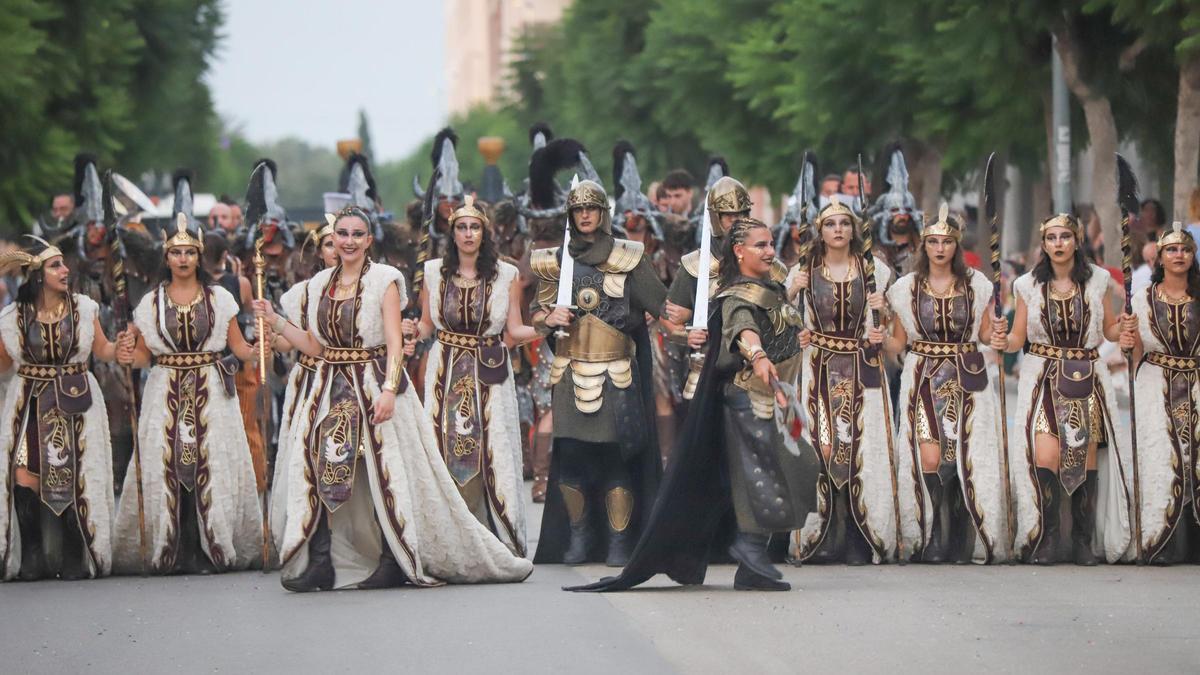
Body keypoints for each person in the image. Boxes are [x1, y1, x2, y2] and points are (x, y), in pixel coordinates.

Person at [254, 206, 531, 591]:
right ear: (332, 239)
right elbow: (315, 346)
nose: (348, 241)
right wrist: (276, 321)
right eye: (342, 234)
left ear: (369, 241)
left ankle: (391, 558)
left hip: (372, 383)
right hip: (329, 386)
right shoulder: (318, 285)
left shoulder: (386, 280)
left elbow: (395, 341)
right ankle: (320, 562)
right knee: (317, 464)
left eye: (356, 234)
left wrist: (388, 389)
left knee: (382, 471)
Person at [568, 218, 810, 592]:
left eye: (769, 244)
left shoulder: (772, 288)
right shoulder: (736, 295)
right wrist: (758, 355)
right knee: (761, 478)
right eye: (760, 245)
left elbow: (778, 327)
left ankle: (750, 563)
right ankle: (750, 551)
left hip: (775, 396)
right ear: (739, 251)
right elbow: (742, 329)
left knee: (768, 474)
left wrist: (796, 338)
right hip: (750, 396)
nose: (769, 251)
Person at [113, 171, 264, 574]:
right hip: (164, 392)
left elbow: (238, 349)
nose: (183, 259)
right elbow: (145, 357)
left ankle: (208, 546)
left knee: (207, 465)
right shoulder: (149, 303)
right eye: (176, 253)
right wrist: (127, 352)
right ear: (166, 257)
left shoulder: (221, 298)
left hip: (211, 392)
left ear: (200, 256)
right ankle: (172, 548)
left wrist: (261, 345)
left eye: (190, 253)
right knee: (168, 467)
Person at [529, 165, 668, 567]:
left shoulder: (628, 257)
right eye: (578, 210)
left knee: (615, 458)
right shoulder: (552, 262)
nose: (585, 216)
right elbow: (536, 316)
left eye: (591, 209)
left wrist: (691, 312)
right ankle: (579, 535)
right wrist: (547, 320)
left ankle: (619, 540)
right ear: (570, 216)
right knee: (571, 456)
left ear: (602, 212)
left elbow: (664, 308)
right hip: (570, 371)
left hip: (616, 372)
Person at [883, 205, 1031, 563]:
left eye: (946, 241)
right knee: (930, 457)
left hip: (967, 376)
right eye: (933, 241)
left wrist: (997, 334)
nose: (939, 248)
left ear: (956, 245)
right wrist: (875, 336)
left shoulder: (978, 285)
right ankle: (934, 534)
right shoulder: (904, 289)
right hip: (923, 378)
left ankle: (962, 535)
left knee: (964, 458)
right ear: (924, 245)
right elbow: (897, 344)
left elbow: (984, 334)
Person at [994, 213, 1134, 565]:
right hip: (1042, 376)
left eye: (1065, 237)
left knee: (1084, 455)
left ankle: (1082, 540)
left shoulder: (1098, 280)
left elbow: (1109, 330)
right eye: (1052, 238)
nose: (1058, 243)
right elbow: (1017, 339)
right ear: (1044, 245)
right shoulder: (1026, 285)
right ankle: (1047, 536)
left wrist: (1126, 328)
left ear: (1076, 241)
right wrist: (1001, 338)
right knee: (1046, 456)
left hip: (1086, 376)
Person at [0, 238, 133, 580]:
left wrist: (122, 348)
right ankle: (32, 556)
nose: (65, 270)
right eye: (55, 265)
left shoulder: (84, 309)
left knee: (75, 472)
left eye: (63, 263)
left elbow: (102, 350)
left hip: (75, 400)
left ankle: (75, 551)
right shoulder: (14, 315)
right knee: (24, 472)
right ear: (37, 275)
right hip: (30, 399)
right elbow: (3, 364)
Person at [410, 195, 534, 557]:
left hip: (488, 371)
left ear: (485, 232)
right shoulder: (433, 272)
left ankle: (490, 533)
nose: (468, 234)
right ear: (453, 234)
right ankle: (448, 536)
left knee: (488, 449)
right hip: (443, 368)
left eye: (474, 227)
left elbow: (514, 329)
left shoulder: (506, 274)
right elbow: (425, 325)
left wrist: (547, 323)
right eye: (462, 227)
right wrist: (405, 331)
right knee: (443, 445)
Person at [787, 196, 904, 565]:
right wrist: (794, 311)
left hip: (860, 366)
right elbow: (782, 319)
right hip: (818, 367)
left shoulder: (875, 272)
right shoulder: (803, 272)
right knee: (823, 446)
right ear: (819, 233)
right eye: (830, 224)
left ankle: (858, 532)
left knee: (857, 448)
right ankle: (825, 532)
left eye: (844, 223)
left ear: (854, 230)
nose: (838, 230)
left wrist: (880, 328)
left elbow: (890, 328)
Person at [1126, 222, 1200, 563]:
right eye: (1171, 249)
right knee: (1161, 459)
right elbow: (1135, 349)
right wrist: (1127, 343)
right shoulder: (1142, 299)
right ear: (1160, 257)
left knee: (1195, 460)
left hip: (1197, 381)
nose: (1179, 255)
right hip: (1155, 381)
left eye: (1185, 249)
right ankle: (1160, 538)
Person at [267, 218, 340, 555]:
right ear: (320, 251)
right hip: (309, 380)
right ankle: (308, 533)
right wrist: (270, 336)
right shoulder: (301, 293)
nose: (337, 249)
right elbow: (287, 344)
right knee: (307, 457)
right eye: (329, 244)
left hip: (345, 380)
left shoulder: (370, 286)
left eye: (342, 241)